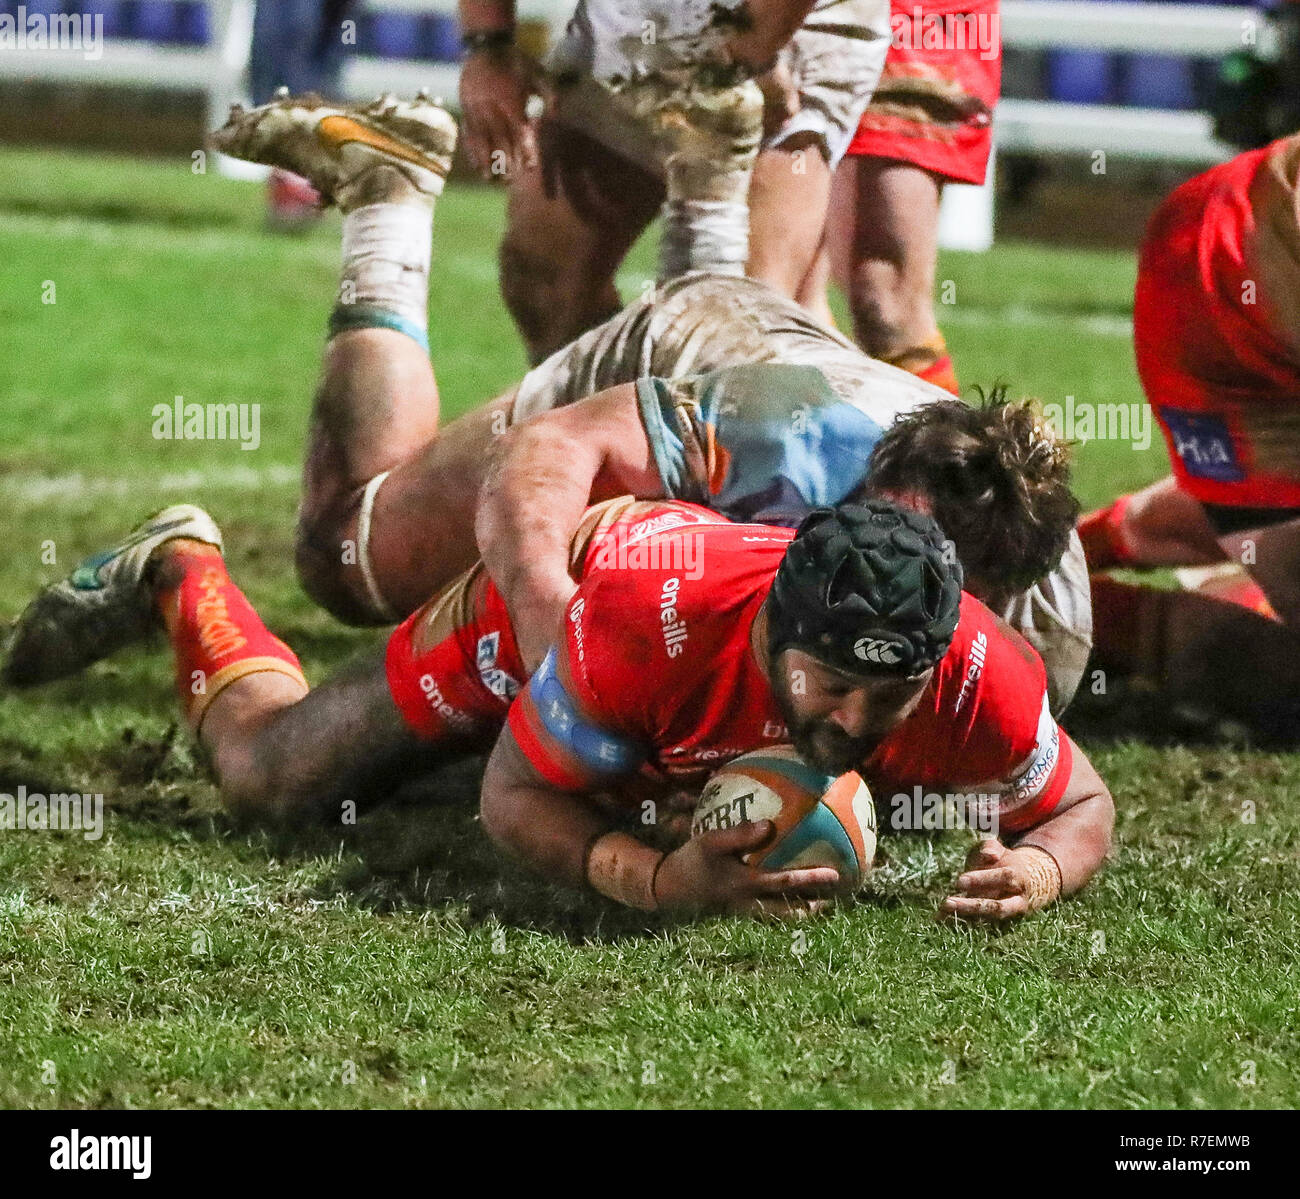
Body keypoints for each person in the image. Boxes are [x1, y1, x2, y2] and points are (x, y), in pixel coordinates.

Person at [200, 91, 1092, 711]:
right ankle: (386, 195)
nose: (878, 571)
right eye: (875, 541)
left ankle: (708, 171)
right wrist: (547, 617)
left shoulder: (1038, 650)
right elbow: (549, 456)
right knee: (346, 559)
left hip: (763, 367)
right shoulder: (793, 440)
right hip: (685, 349)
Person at [2, 499, 1114, 923]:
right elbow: (514, 796)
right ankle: (179, 566)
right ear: (776, 631)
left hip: (647, 701)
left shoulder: (978, 672)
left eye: (894, 694)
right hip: (570, 600)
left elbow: (1082, 800)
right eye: (830, 682)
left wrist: (1045, 868)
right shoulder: (643, 627)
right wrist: (650, 875)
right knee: (274, 778)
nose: (857, 722)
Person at [458, 0, 893, 362]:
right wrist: (487, 46)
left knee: (732, 329)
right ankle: (613, 442)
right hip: (637, 15)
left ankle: (877, 446)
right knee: (542, 274)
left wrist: (753, 52)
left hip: (788, 24)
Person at [1079, 133, 1300, 737]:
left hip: (1240, 225)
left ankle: (1078, 553)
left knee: (1266, 505)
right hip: (1232, 267)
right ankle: (1065, 612)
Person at [802, 0, 1001, 394]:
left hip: (915, 21)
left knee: (885, 301)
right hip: (801, 16)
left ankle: (946, 455)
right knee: (784, 295)